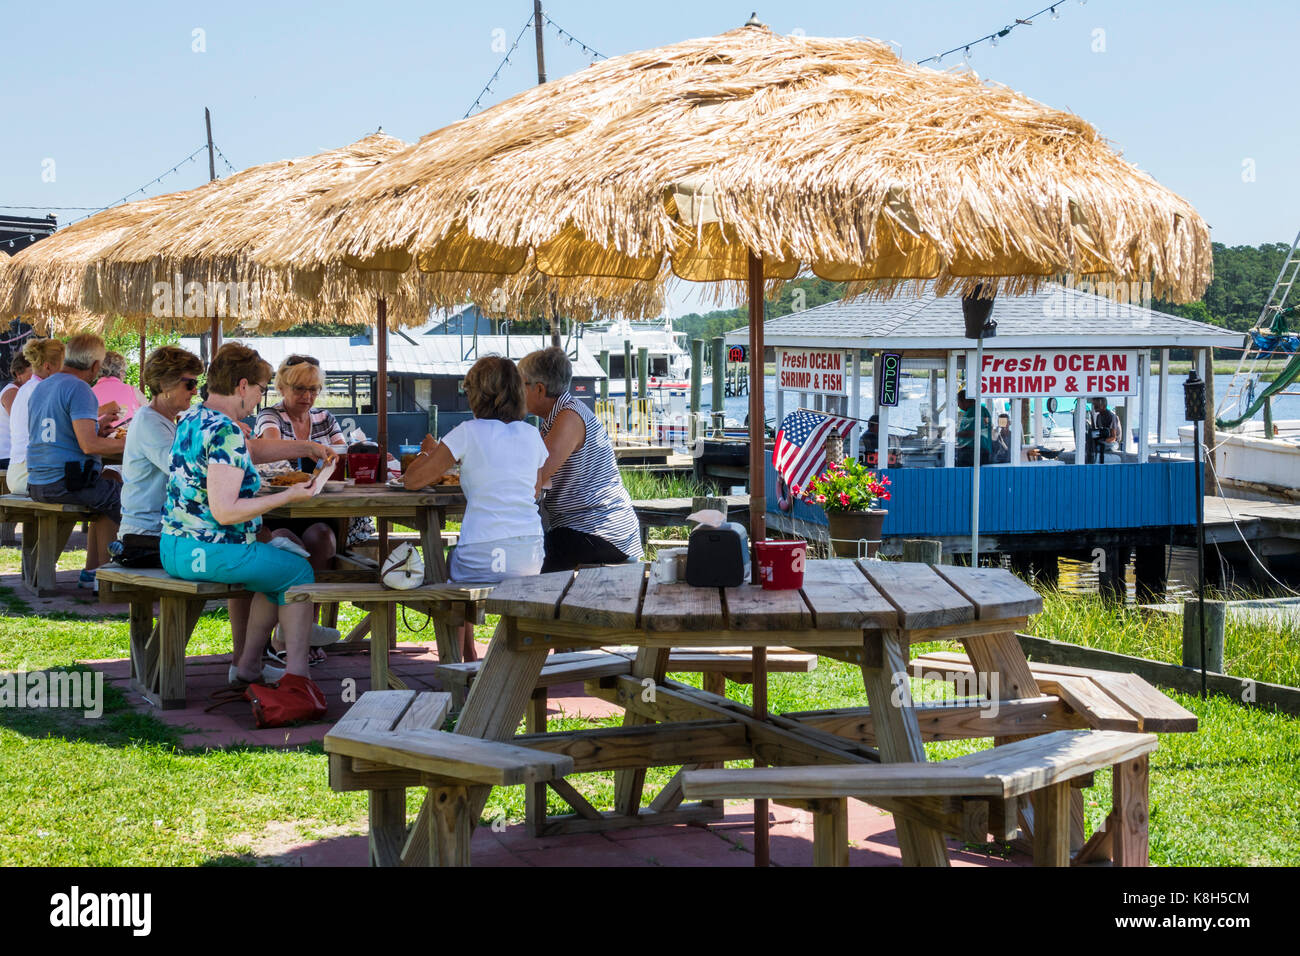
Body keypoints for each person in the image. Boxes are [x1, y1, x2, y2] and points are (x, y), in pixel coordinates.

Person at [160, 342, 328, 685]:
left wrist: (307, 447)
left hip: (174, 548)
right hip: (211, 552)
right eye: (260, 390)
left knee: (277, 564)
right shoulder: (227, 430)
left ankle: (248, 667)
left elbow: (248, 450)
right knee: (299, 570)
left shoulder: (193, 417)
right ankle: (298, 676)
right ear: (242, 386)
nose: (258, 400)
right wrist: (289, 496)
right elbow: (225, 512)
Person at [404, 355, 548, 661]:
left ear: (477, 395)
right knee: (459, 562)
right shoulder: (532, 433)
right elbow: (534, 491)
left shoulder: (467, 431)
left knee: (449, 566)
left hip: (482, 556)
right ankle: (480, 658)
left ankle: (460, 659)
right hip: (530, 557)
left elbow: (413, 481)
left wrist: (427, 454)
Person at [254, 355, 351, 661]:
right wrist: (312, 454)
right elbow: (272, 455)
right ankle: (285, 638)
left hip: (320, 506)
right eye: (299, 389)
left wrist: (331, 458)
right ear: (282, 387)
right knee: (286, 542)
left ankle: (304, 630)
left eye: (313, 389)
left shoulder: (325, 418)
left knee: (322, 539)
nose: (307, 397)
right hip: (281, 508)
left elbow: (341, 452)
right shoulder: (270, 416)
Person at [518, 346, 643, 571]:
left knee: (523, 555)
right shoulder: (559, 416)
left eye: (520, 384)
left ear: (538, 389)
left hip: (599, 529)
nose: (516, 391)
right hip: (588, 528)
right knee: (526, 549)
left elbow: (532, 476)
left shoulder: (568, 418)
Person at [25, 333, 126, 585]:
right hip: (64, 482)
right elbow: (89, 446)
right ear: (94, 366)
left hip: (37, 480)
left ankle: (94, 571)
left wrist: (97, 427)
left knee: (109, 482)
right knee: (125, 499)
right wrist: (130, 443)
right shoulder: (80, 388)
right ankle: (109, 578)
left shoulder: (43, 386)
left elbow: (57, 434)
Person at [7, 337, 66, 496]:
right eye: (62, 367)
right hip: (30, 476)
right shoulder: (43, 390)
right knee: (99, 489)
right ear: (48, 367)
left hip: (15, 472)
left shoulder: (25, 389)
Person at [92, 351, 144, 426]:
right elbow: (151, 416)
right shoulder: (133, 391)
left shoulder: (89, 393)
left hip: (95, 436)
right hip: (127, 436)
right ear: (121, 372)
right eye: (124, 373)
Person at [0, 352, 33, 468]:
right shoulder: (12, 392)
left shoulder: (22, 391)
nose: (35, 376)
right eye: (32, 372)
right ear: (19, 374)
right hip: (7, 456)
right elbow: (22, 424)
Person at [955, 388, 992, 467]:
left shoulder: (972, 411)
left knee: (965, 476)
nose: (958, 405)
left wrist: (955, 434)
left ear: (964, 401)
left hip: (971, 452)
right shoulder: (984, 410)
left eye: (958, 402)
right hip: (984, 450)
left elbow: (973, 432)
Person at [1087, 396, 1121, 464]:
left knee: (1096, 448)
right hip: (1103, 441)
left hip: (1113, 443)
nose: (1094, 407)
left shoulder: (1112, 416)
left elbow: (1113, 437)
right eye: (1094, 405)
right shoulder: (1099, 416)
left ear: (1102, 405)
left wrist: (1100, 442)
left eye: (1096, 406)